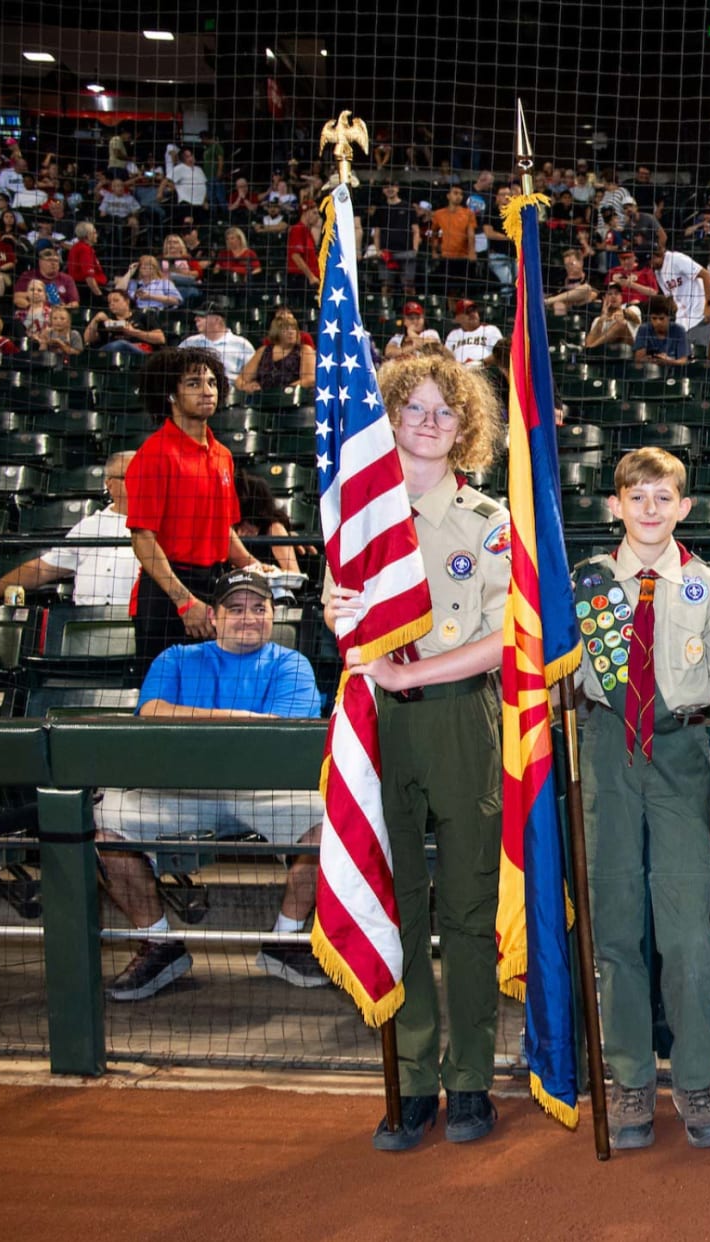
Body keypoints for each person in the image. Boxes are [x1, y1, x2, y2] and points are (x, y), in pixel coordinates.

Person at [324, 351, 511, 1153]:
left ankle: (469, 1078)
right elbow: (347, 624)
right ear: (389, 418)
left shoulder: (490, 520)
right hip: (377, 726)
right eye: (415, 409)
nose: (431, 423)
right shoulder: (359, 519)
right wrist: (336, 614)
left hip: (461, 719)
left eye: (446, 411)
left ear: (466, 426)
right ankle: (412, 1079)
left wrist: (419, 670)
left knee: (468, 909)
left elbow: (510, 637)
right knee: (390, 902)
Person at [569, 448, 710, 1152]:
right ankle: (631, 1075)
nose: (649, 507)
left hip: (680, 751)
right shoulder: (585, 585)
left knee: (685, 936)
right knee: (615, 929)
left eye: (662, 496)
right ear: (614, 506)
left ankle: (697, 1078)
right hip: (607, 749)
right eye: (635, 496)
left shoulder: (709, 584)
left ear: (684, 507)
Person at [96, 570, 327, 1003]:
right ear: (214, 617)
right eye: (236, 609)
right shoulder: (177, 658)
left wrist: (198, 718)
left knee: (333, 825)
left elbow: (279, 731)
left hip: (264, 788)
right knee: (107, 825)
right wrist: (238, 718)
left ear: (273, 615)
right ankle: (159, 942)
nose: (249, 618)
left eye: (259, 608)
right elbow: (152, 712)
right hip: (182, 788)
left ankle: (287, 941)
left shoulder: (290, 662)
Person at [128, 347, 268, 664]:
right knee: (161, 705)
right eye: (193, 383)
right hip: (167, 594)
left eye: (211, 382)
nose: (207, 391)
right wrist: (184, 602)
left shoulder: (223, 455)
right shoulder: (154, 454)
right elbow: (142, 539)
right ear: (171, 395)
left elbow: (223, 528)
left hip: (213, 587)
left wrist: (252, 564)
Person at [0, 450, 140, 605]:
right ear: (110, 485)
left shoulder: (163, 523)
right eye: (131, 476)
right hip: (85, 620)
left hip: (136, 621)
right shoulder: (90, 526)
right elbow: (42, 570)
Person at [234, 315, 315, 394]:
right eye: (285, 329)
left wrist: (279, 392)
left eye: (294, 329)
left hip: (292, 398)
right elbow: (240, 379)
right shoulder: (263, 351)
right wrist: (246, 387)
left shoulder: (304, 350)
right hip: (263, 400)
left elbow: (309, 380)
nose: (291, 332)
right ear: (276, 332)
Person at [178, 310, 254, 381]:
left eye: (202, 316)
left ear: (217, 319)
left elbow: (253, 376)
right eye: (196, 316)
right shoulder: (189, 342)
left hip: (231, 392)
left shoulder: (242, 344)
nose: (196, 319)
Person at [84, 289, 166, 355]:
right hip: (111, 353)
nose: (112, 304)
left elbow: (160, 338)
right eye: (109, 302)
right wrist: (95, 320)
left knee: (122, 344)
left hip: (138, 353)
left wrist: (134, 332)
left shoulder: (142, 316)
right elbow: (87, 339)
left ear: (127, 301)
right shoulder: (107, 319)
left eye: (116, 300)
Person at [632, 294, 692, 365]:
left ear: (669, 317)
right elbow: (638, 362)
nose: (658, 322)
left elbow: (683, 361)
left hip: (675, 373)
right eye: (654, 318)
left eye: (661, 318)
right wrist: (651, 360)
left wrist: (668, 361)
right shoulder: (644, 329)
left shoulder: (679, 330)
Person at [443, 299, 503, 369]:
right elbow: (445, 359)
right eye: (467, 312)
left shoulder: (491, 330)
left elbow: (500, 353)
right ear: (458, 318)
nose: (472, 314)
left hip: (486, 371)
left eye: (474, 310)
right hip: (459, 375)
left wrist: (480, 363)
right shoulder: (453, 335)